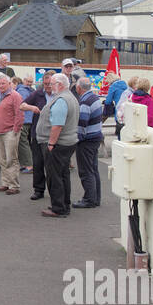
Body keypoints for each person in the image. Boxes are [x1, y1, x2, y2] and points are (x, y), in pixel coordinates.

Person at [39, 73, 79, 217]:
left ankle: (58, 208)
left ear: (60, 85)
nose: (50, 86)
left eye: (52, 84)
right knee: (63, 175)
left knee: (55, 176)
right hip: (67, 142)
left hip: (59, 144)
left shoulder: (62, 100)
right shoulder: (70, 97)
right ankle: (63, 204)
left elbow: (57, 125)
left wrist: (51, 143)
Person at [73, 76, 103, 208]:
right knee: (93, 169)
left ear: (79, 88)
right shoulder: (94, 98)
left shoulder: (85, 101)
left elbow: (82, 124)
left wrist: (77, 139)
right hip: (95, 137)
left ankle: (89, 199)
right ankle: (95, 198)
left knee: (86, 171)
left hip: (87, 140)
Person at [0, 73, 24, 195]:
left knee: (11, 159)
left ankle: (14, 185)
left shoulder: (15, 96)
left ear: (9, 84)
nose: (1, 85)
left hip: (10, 131)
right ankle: (5, 183)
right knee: (2, 159)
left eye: (3, 83)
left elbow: (20, 114)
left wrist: (15, 130)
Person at [21, 71, 51, 200]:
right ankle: (38, 190)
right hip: (37, 134)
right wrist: (31, 107)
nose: (47, 86)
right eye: (45, 83)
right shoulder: (38, 94)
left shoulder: (59, 95)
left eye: (50, 83)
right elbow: (22, 105)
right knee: (38, 164)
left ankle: (53, 190)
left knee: (51, 166)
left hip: (52, 135)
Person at [15, 75, 35, 172]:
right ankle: (26, 163)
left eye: (31, 82)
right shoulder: (30, 90)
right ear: (24, 80)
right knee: (26, 142)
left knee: (23, 143)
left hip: (24, 119)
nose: (29, 83)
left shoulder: (22, 90)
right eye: (28, 81)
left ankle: (28, 165)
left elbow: (20, 106)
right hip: (30, 119)